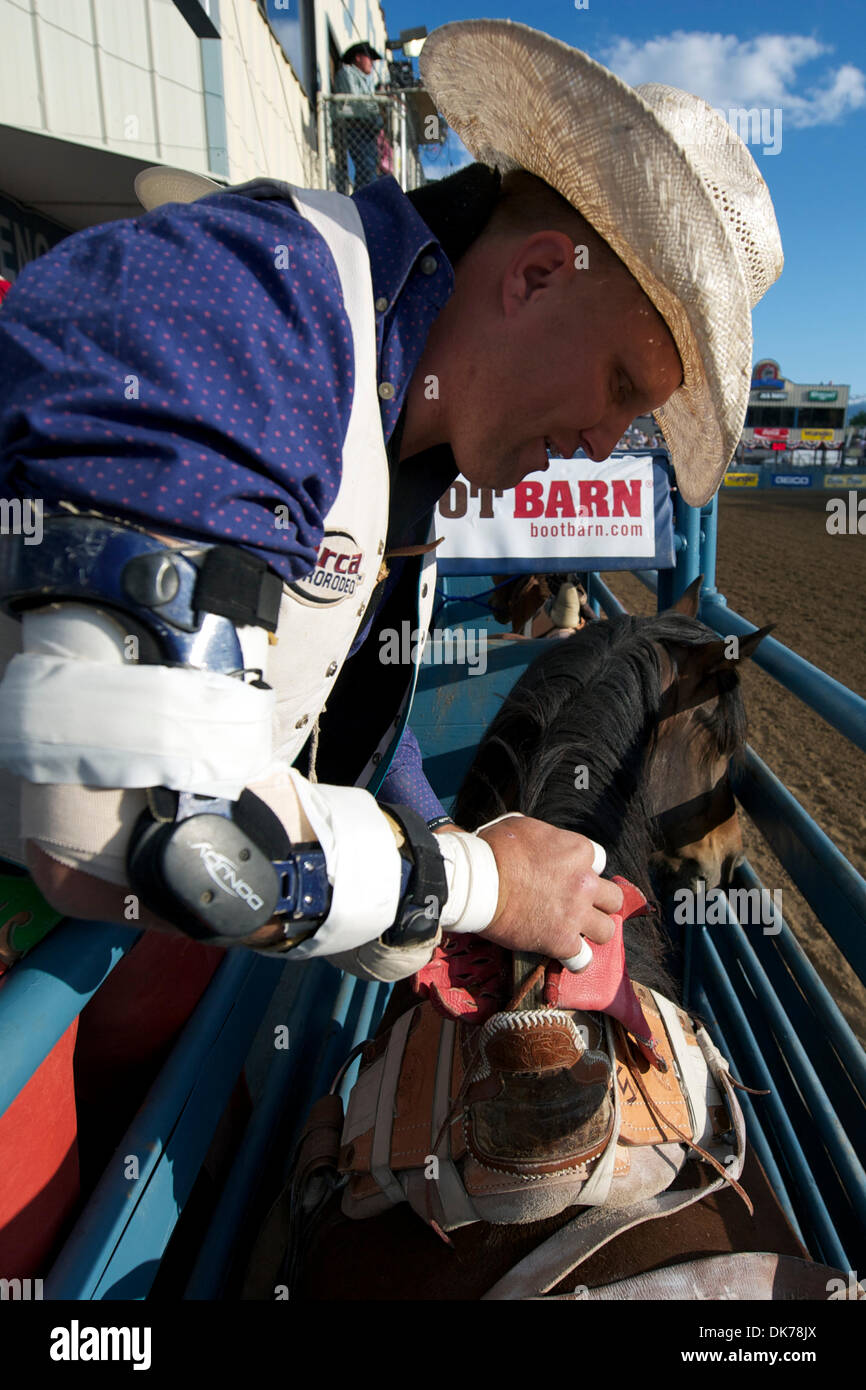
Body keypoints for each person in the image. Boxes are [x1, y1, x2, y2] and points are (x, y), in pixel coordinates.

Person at [0, 19, 782, 1271]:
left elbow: (351, 740)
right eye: (626, 387)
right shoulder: (254, 306)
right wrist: (479, 884)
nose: (605, 443)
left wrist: (483, 883)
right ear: (533, 275)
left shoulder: (377, 412)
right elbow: (154, 825)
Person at [333, 41, 383, 191]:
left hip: (367, 129)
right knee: (366, 167)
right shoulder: (347, 72)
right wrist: (375, 110)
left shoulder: (366, 81)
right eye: (369, 58)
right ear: (358, 58)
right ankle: (364, 199)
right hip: (354, 125)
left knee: (370, 168)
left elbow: (370, 106)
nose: (372, 63)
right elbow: (357, 102)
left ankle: (367, 196)